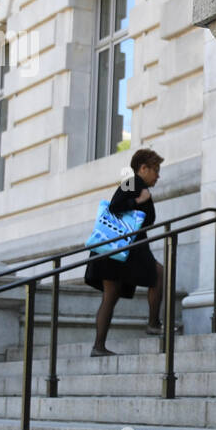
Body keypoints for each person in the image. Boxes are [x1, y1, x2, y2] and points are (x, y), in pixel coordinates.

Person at [85, 148, 166, 356]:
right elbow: (114, 206)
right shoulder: (131, 182)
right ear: (143, 168)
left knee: (111, 296)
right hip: (119, 249)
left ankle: (99, 346)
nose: (158, 175)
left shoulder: (137, 185)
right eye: (155, 170)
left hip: (122, 250)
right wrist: (138, 201)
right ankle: (153, 323)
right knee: (157, 274)